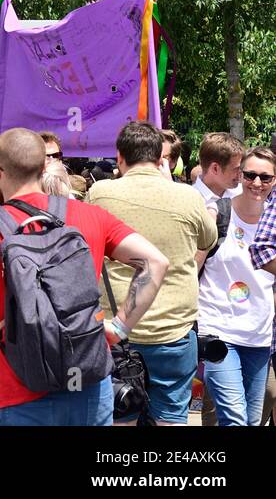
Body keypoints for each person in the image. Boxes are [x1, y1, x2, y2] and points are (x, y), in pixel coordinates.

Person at [0, 128, 169, 426]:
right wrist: (120, 327)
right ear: (45, 167)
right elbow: (155, 262)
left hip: (20, 382)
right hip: (87, 377)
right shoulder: (90, 215)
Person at [89, 121, 216, 426]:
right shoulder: (187, 197)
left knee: (120, 417)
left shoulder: (100, 193)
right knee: (171, 419)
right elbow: (208, 240)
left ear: (120, 157)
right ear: (161, 158)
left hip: (117, 333)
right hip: (172, 329)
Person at [196, 148, 276, 425]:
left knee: (252, 421)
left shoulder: (274, 222)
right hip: (218, 331)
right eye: (250, 175)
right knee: (235, 418)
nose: (257, 183)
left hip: (260, 336)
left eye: (265, 177)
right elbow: (192, 268)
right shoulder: (218, 212)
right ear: (240, 174)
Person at [194, 132, 244, 214]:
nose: (241, 173)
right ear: (215, 169)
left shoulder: (242, 193)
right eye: (237, 169)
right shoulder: (189, 201)